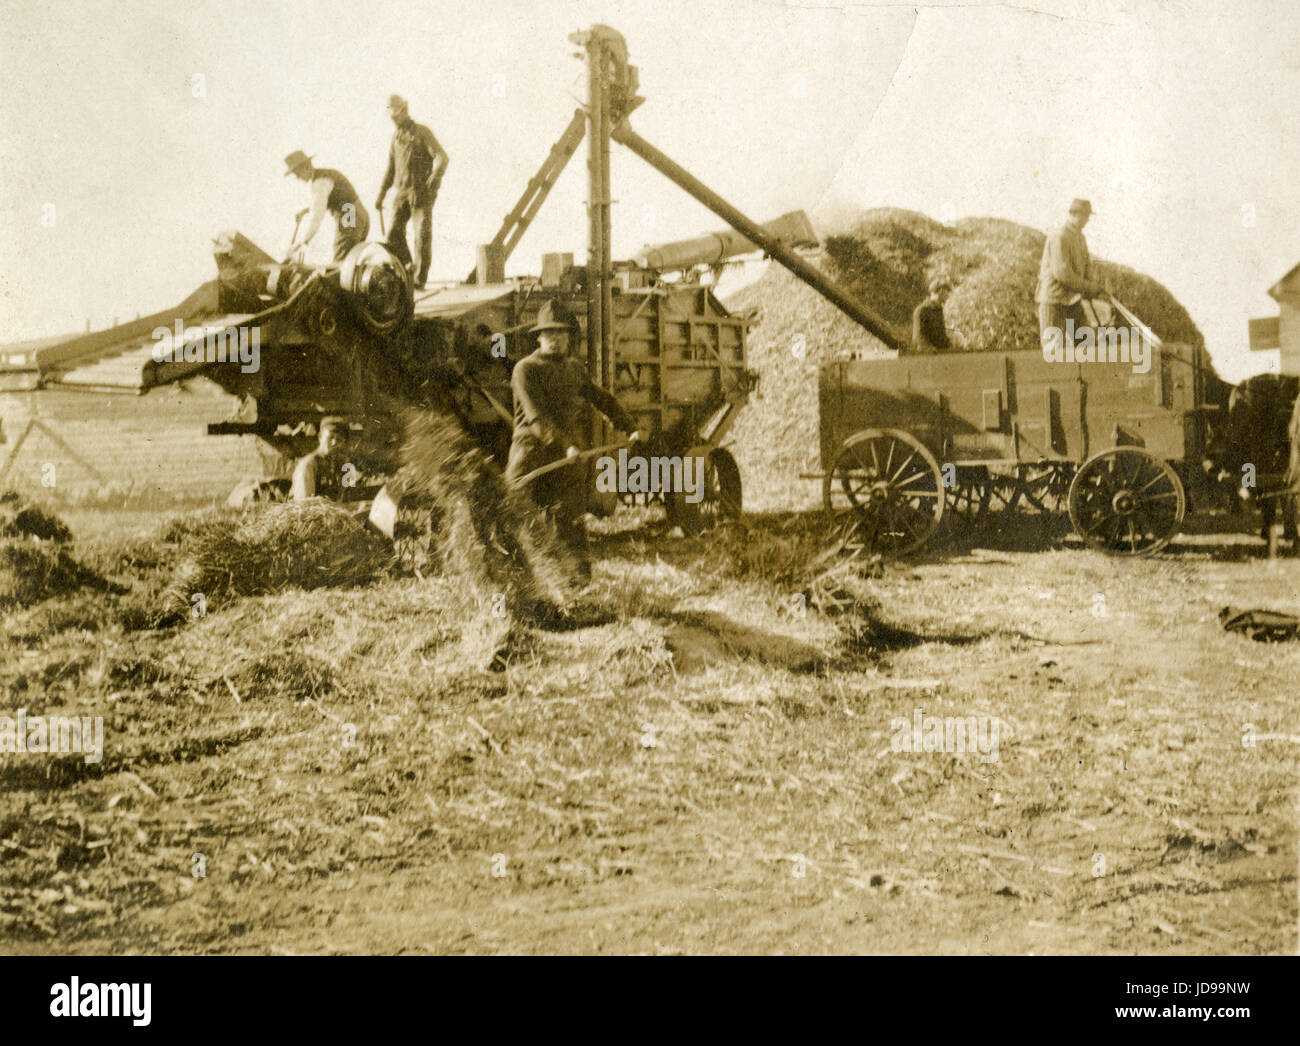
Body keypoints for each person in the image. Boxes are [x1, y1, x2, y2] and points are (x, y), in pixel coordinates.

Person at [504, 300, 637, 578]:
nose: (555, 340)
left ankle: (580, 584)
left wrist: (628, 425)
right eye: (549, 334)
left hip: (568, 461)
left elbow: (602, 398)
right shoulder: (525, 370)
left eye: (561, 333)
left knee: (571, 521)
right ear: (539, 338)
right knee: (518, 520)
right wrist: (567, 446)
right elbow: (537, 418)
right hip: (532, 457)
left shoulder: (575, 369)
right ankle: (517, 582)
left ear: (569, 338)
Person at [375, 95, 448, 291]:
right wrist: (381, 194)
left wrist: (435, 175)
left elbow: (442, 156)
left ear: (405, 112)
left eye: (396, 116)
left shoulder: (422, 132)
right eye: (392, 118)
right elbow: (390, 169)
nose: (394, 120)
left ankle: (419, 278)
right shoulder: (395, 138)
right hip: (401, 193)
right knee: (393, 235)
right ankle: (407, 268)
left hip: (420, 192)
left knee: (421, 235)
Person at [1036, 198, 1106, 344]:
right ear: (1074, 214)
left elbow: (1086, 266)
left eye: (1088, 216)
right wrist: (1088, 287)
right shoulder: (1059, 236)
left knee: (1087, 344)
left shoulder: (1080, 238)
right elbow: (1063, 274)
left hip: (1071, 300)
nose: (1087, 220)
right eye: (1085, 216)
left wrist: (1095, 286)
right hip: (1053, 301)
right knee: (1053, 350)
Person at [283, 151, 370, 263]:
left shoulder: (319, 182)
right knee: (351, 264)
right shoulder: (326, 175)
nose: (298, 178)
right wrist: (305, 211)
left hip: (349, 215)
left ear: (305, 167)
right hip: (359, 213)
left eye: (297, 174)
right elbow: (327, 200)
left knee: (340, 263)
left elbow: (317, 217)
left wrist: (304, 241)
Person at [291, 417, 351, 501]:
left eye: (339, 440)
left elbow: (344, 497)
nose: (334, 443)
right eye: (330, 437)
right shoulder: (309, 464)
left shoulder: (343, 463)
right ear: (320, 437)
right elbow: (304, 504)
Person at [911, 280, 952, 353]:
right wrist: (930, 350)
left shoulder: (938, 310)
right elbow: (918, 337)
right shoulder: (922, 310)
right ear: (940, 291)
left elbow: (940, 337)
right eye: (947, 291)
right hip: (925, 356)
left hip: (940, 355)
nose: (948, 295)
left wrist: (951, 346)